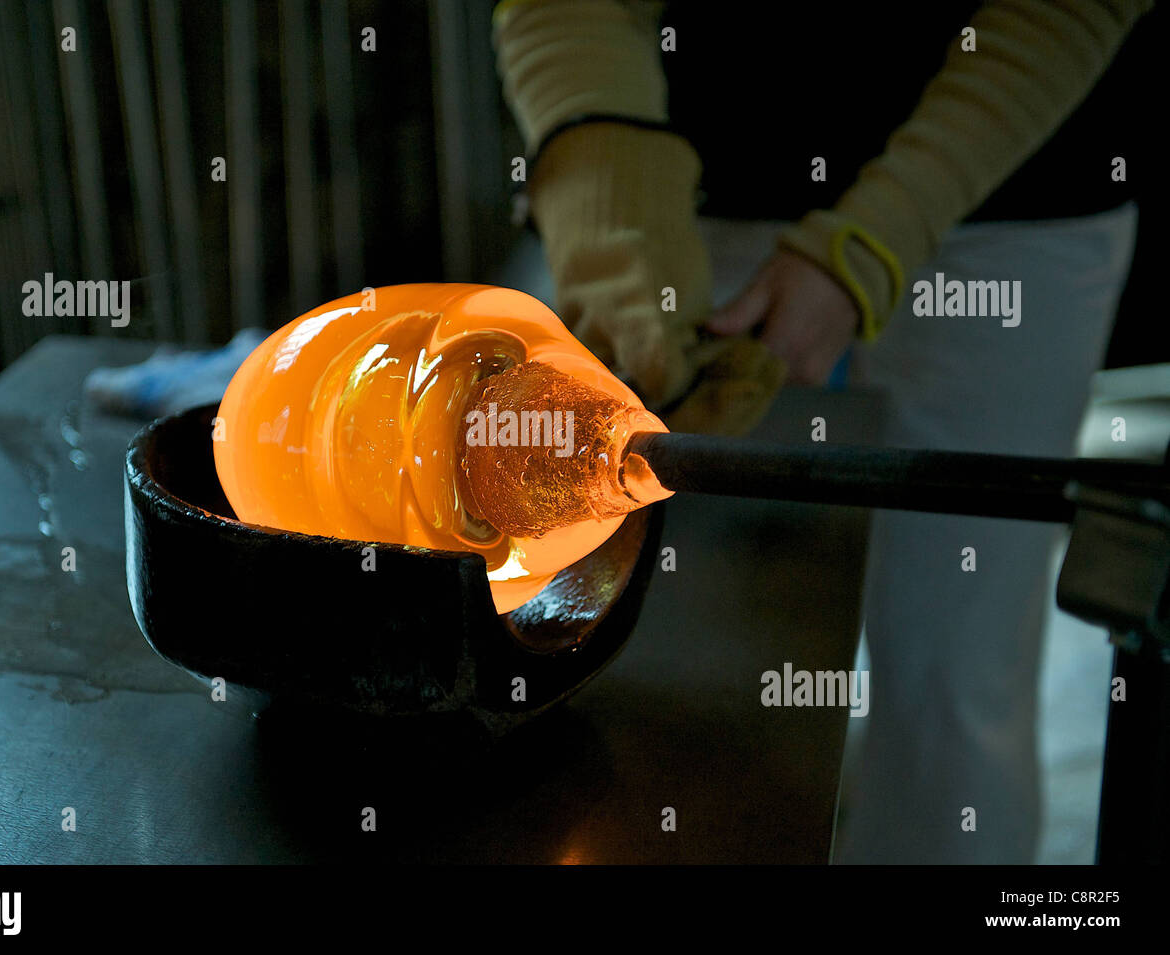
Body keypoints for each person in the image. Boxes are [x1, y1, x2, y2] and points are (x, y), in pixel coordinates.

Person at [492, 0, 1154, 862]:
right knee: (685, 673)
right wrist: (614, 230)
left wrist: (866, 249)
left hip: (1012, 187)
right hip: (695, 180)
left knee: (955, 678)